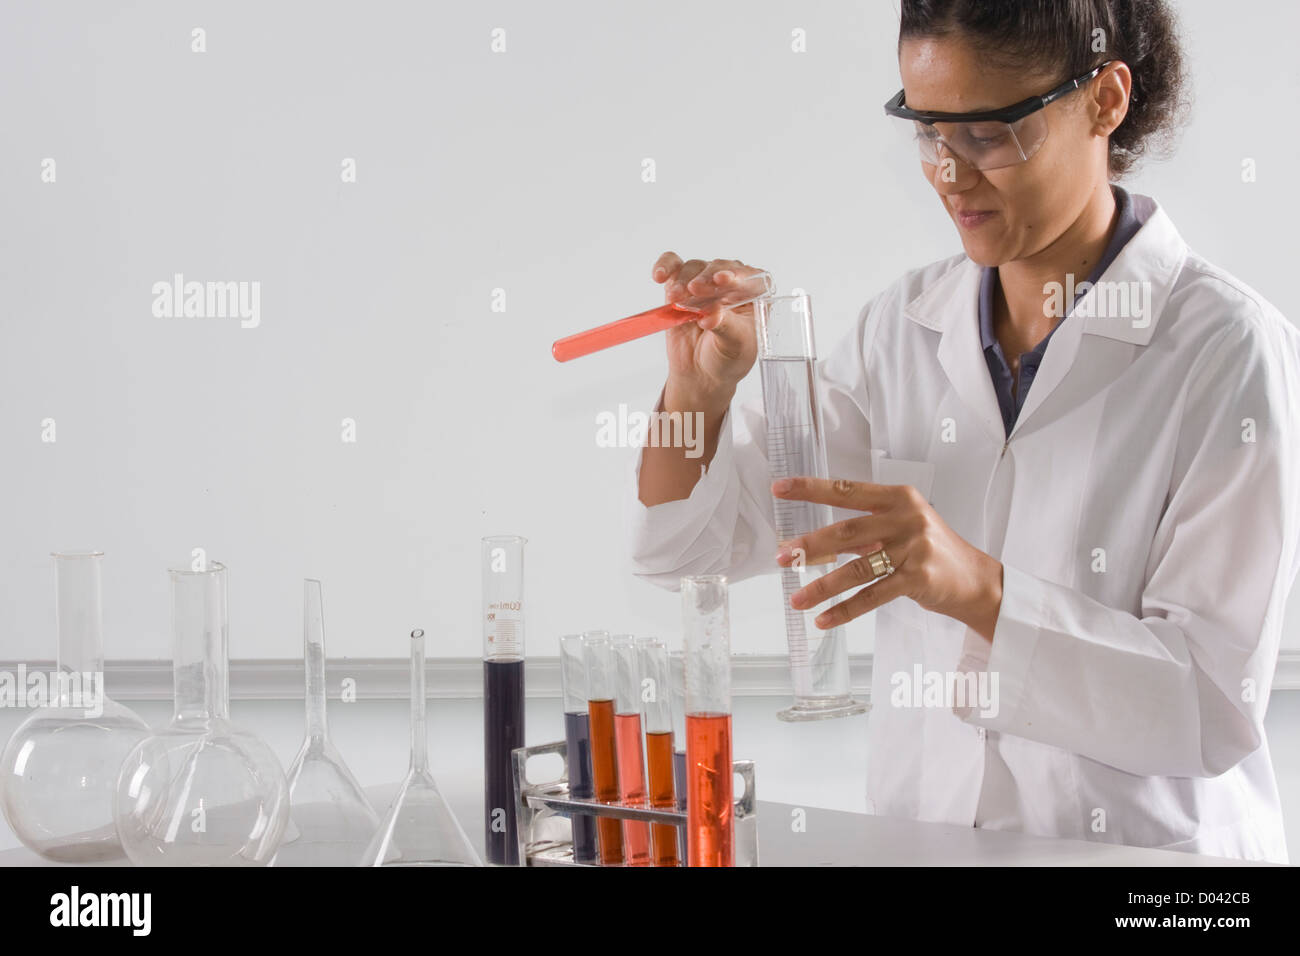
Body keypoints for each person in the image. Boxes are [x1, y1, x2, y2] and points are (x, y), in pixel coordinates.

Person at [628, 0, 1300, 863]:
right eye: (929, 131)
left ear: (1105, 99)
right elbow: (686, 550)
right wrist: (698, 393)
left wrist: (978, 589)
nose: (948, 173)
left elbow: (1212, 707)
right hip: (926, 845)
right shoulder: (901, 330)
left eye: (987, 134)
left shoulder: (1224, 349)